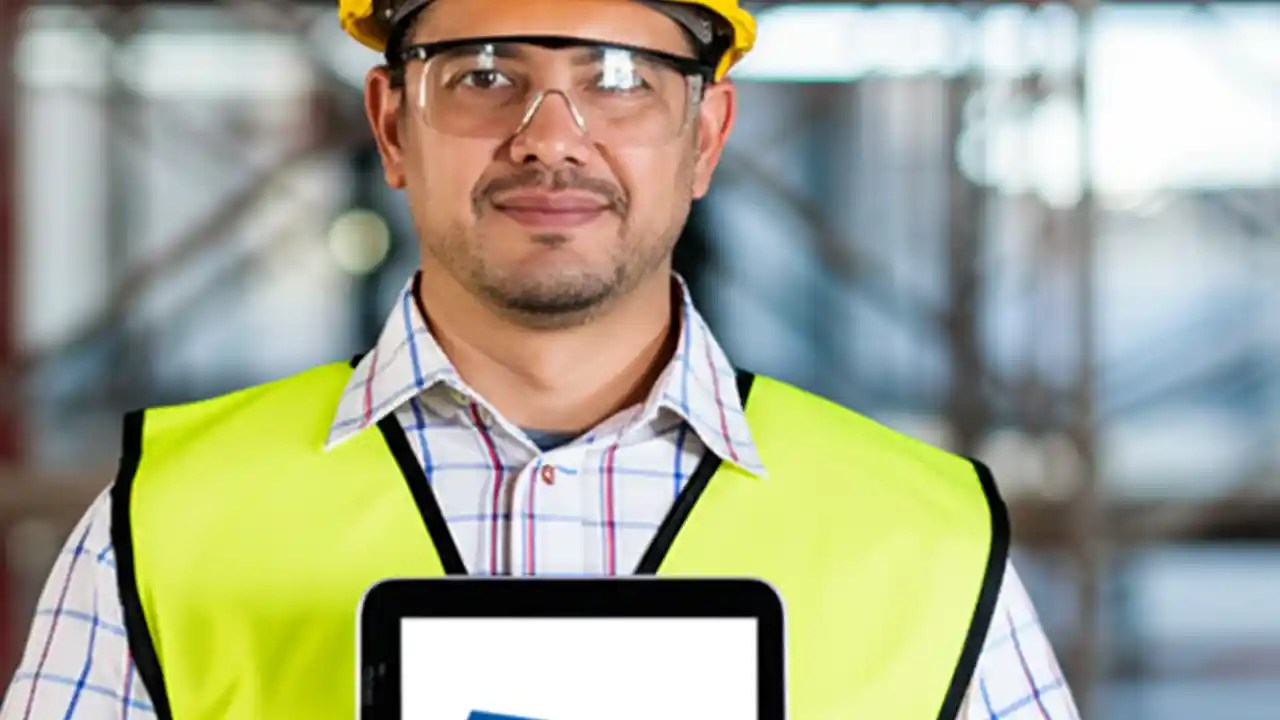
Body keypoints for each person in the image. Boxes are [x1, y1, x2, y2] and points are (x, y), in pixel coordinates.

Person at [1, 0, 1081, 718]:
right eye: (482, 76)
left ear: (706, 136)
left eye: (620, 79)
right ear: (391, 127)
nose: (550, 136)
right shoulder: (162, 521)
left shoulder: (927, 540)